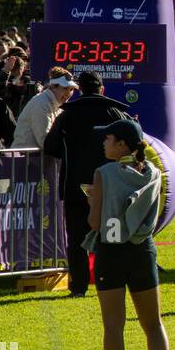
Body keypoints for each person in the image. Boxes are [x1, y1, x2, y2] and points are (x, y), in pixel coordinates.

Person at [83, 117, 175, 350]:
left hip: (110, 252)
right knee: (153, 324)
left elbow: (95, 223)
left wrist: (94, 200)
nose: (104, 142)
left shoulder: (103, 173)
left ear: (121, 145)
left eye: (108, 139)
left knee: (113, 325)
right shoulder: (153, 171)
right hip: (142, 251)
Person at [44, 72, 131, 298]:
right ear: (102, 89)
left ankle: (79, 287)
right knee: (111, 237)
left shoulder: (68, 115)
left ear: (79, 89)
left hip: (75, 186)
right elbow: (135, 145)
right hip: (111, 189)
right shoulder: (116, 113)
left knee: (77, 239)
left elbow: (50, 147)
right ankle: (111, 282)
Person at [11, 70, 78, 149]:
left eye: (71, 89)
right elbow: (45, 141)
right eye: (65, 88)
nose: (68, 93)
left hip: (37, 158)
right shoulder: (41, 104)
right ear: (53, 87)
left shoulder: (57, 105)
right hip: (26, 158)